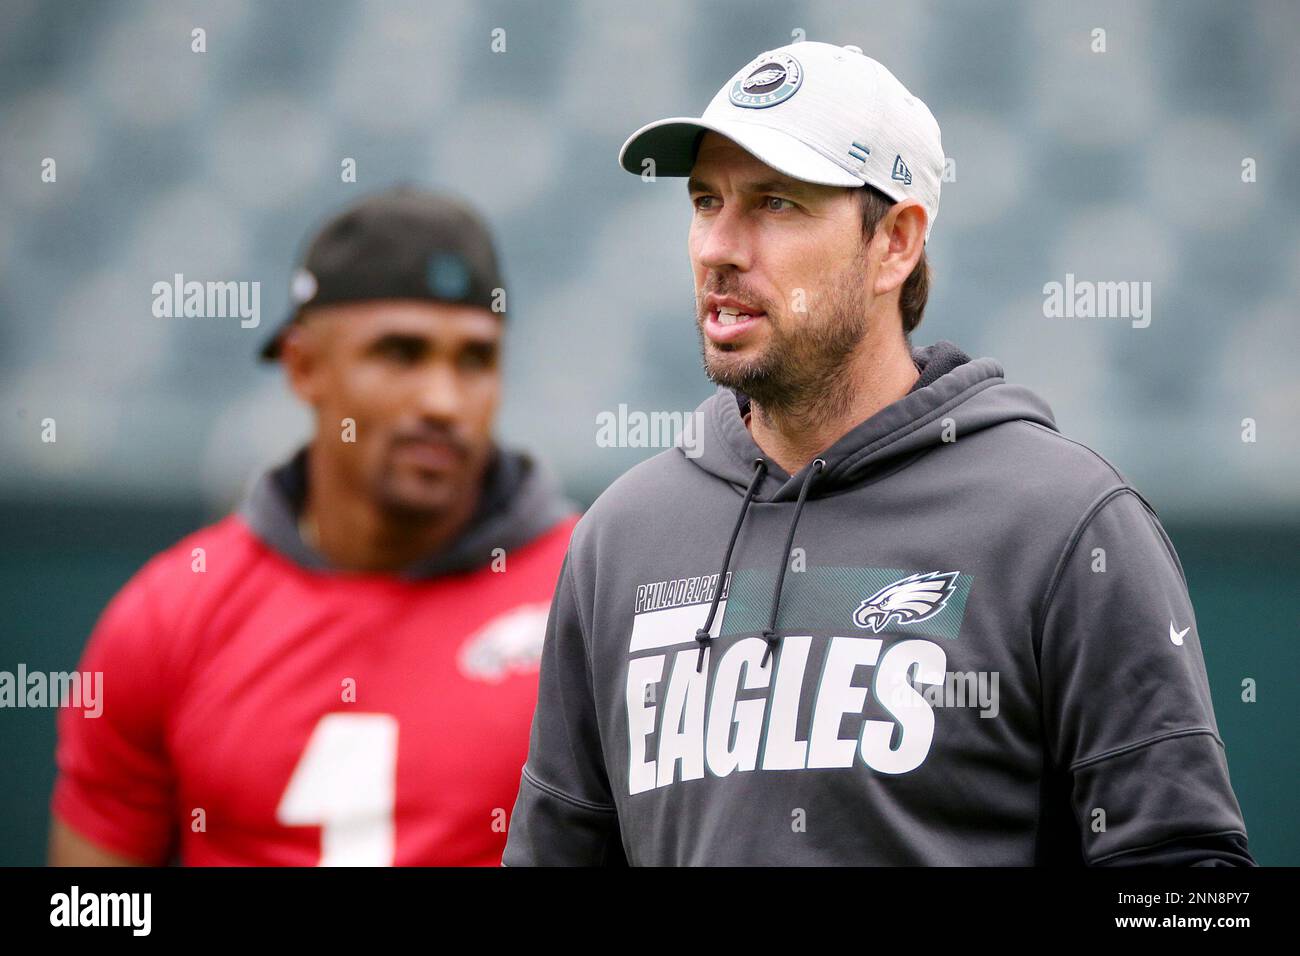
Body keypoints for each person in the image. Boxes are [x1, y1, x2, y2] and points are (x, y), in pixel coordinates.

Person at [503, 41, 1253, 865]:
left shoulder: (1065, 525)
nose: (719, 245)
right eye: (706, 200)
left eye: (777, 204)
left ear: (895, 241)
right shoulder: (621, 539)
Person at [50, 187, 576, 866]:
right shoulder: (172, 617)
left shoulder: (590, 597)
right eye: (401, 353)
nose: (444, 401)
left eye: (474, 359)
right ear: (304, 366)